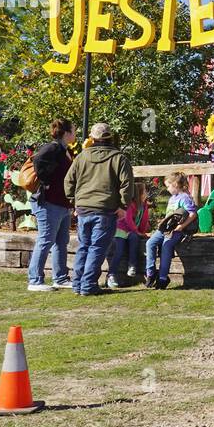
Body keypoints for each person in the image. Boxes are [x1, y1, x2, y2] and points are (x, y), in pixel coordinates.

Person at [65, 122, 135, 296]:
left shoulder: (82, 157)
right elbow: (127, 184)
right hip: (105, 209)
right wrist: (123, 206)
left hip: (83, 209)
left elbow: (68, 181)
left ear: (92, 138)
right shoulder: (119, 158)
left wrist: (74, 201)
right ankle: (88, 285)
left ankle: (78, 284)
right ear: (110, 137)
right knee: (96, 248)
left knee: (84, 247)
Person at [27, 118, 75, 292]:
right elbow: (38, 160)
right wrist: (45, 181)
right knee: (45, 240)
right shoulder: (53, 147)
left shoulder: (64, 150)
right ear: (67, 133)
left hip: (61, 203)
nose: (75, 134)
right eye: (74, 131)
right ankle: (35, 280)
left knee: (61, 242)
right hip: (48, 203)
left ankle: (60, 278)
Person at [143, 172, 197, 290]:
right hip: (166, 228)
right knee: (150, 243)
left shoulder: (184, 197)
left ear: (176, 184)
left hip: (176, 229)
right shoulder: (173, 198)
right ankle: (150, 273)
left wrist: (182, 226)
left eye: (168, 186)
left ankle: (162, 278)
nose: (167, 189)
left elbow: (192, 214)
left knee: (166, 246)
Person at [107, 181, 149, 289]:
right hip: (121, 229)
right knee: (119, 251)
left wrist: (142, 232)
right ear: (139, 193)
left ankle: (132, 265)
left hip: (131, 232)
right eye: (144, 191)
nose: (146, 193)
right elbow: (128, 219)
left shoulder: (144, 205)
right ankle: (111, 274)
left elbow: (144, 220)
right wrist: (136, 230)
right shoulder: (130, 204)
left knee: (134, 239)